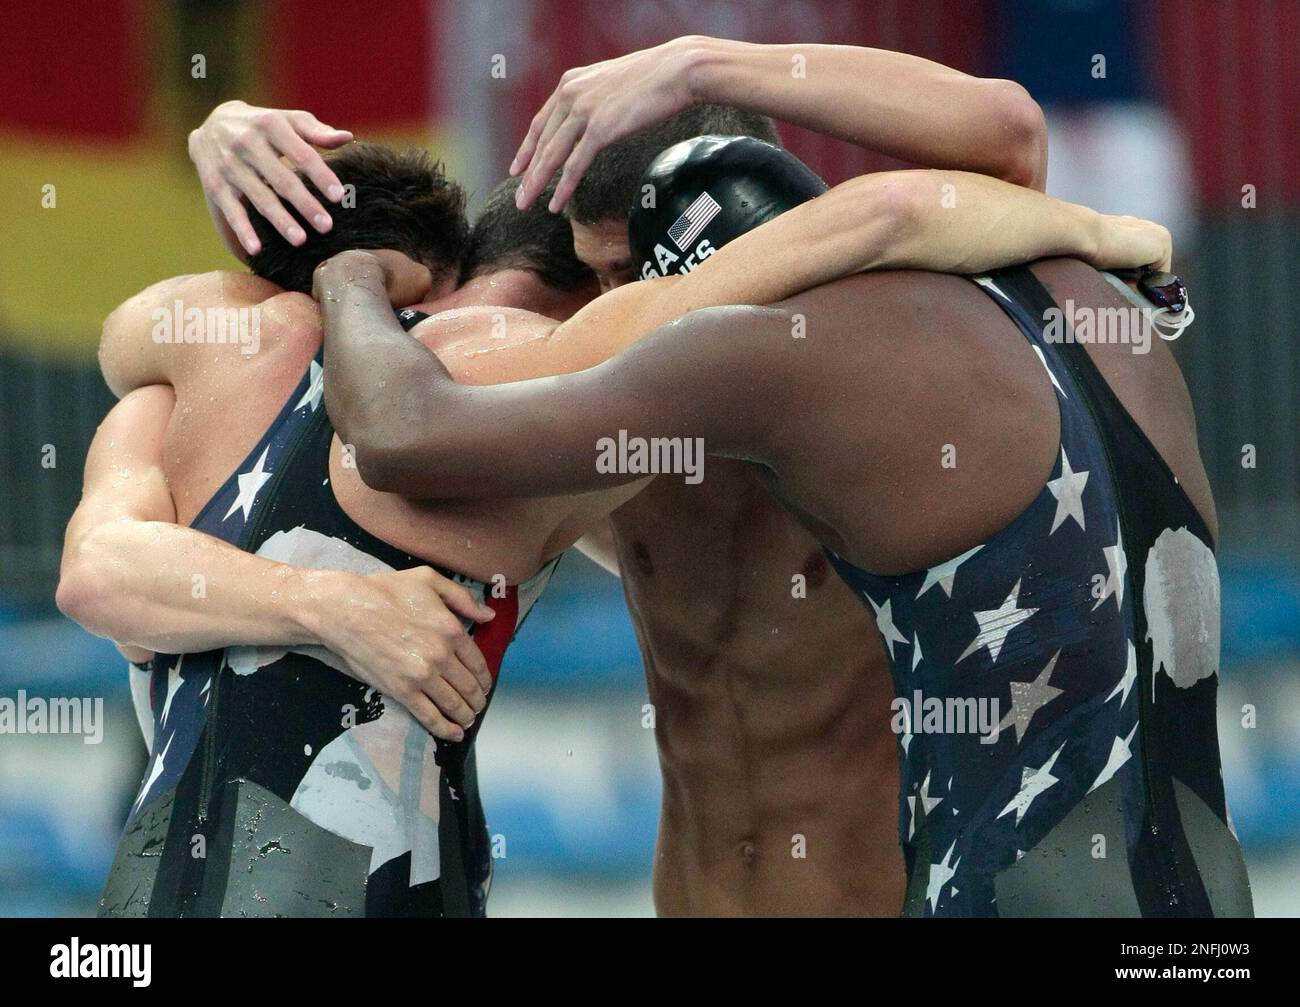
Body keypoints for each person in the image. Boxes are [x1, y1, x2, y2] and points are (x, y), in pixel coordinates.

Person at [313, 128, 1252, 915]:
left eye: (625, 282)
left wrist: (347, 273)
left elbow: (403, 430)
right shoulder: (634, 463)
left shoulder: (870, 421)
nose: (612, 316)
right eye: (591, 287)